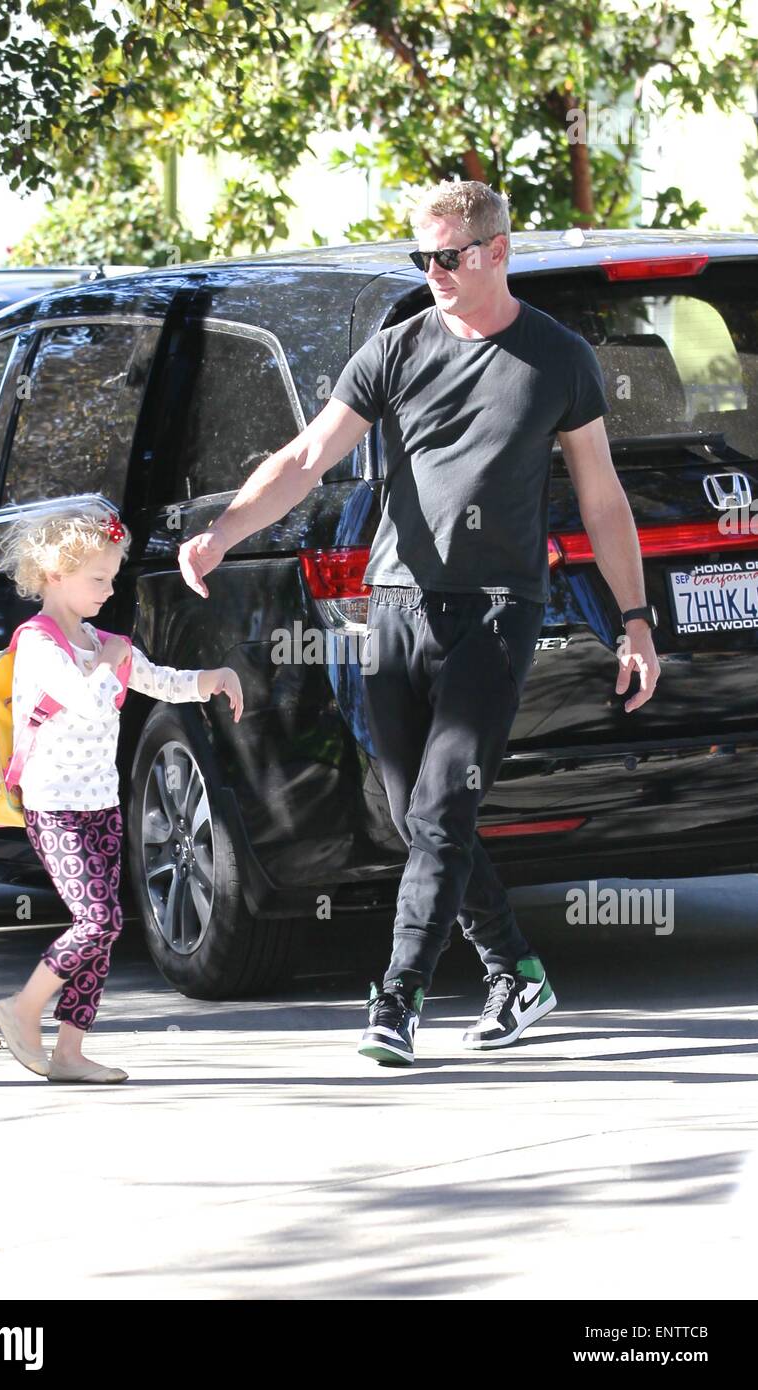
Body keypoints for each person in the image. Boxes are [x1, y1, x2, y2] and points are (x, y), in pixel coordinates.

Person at [177, 180, 660, 1067]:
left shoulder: (556, 358)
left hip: (499, 614)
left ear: (498, 252)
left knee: (441, 810)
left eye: (449, 256)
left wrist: (634, 618)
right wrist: (222, 532)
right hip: (396, 610)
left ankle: (396, 1000)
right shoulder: (393, 351)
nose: (433, 272)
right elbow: (306, 457)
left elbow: (602, 497)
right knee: (418, 816)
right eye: (422, 258)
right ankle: (515, 969)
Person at [0, 501, 243, 1083]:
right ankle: (23, 1007)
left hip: (101, 801)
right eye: (97, 578)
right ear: (55, 575)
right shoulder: (39, 643)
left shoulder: (106, 643)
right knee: (97, 920)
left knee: (104, 931)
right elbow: (85, 700)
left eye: (111, 577)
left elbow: (158, 682)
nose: (109, 590)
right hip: (53, 803)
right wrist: (108, 659)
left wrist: (210, 680)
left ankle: (70, 1050)